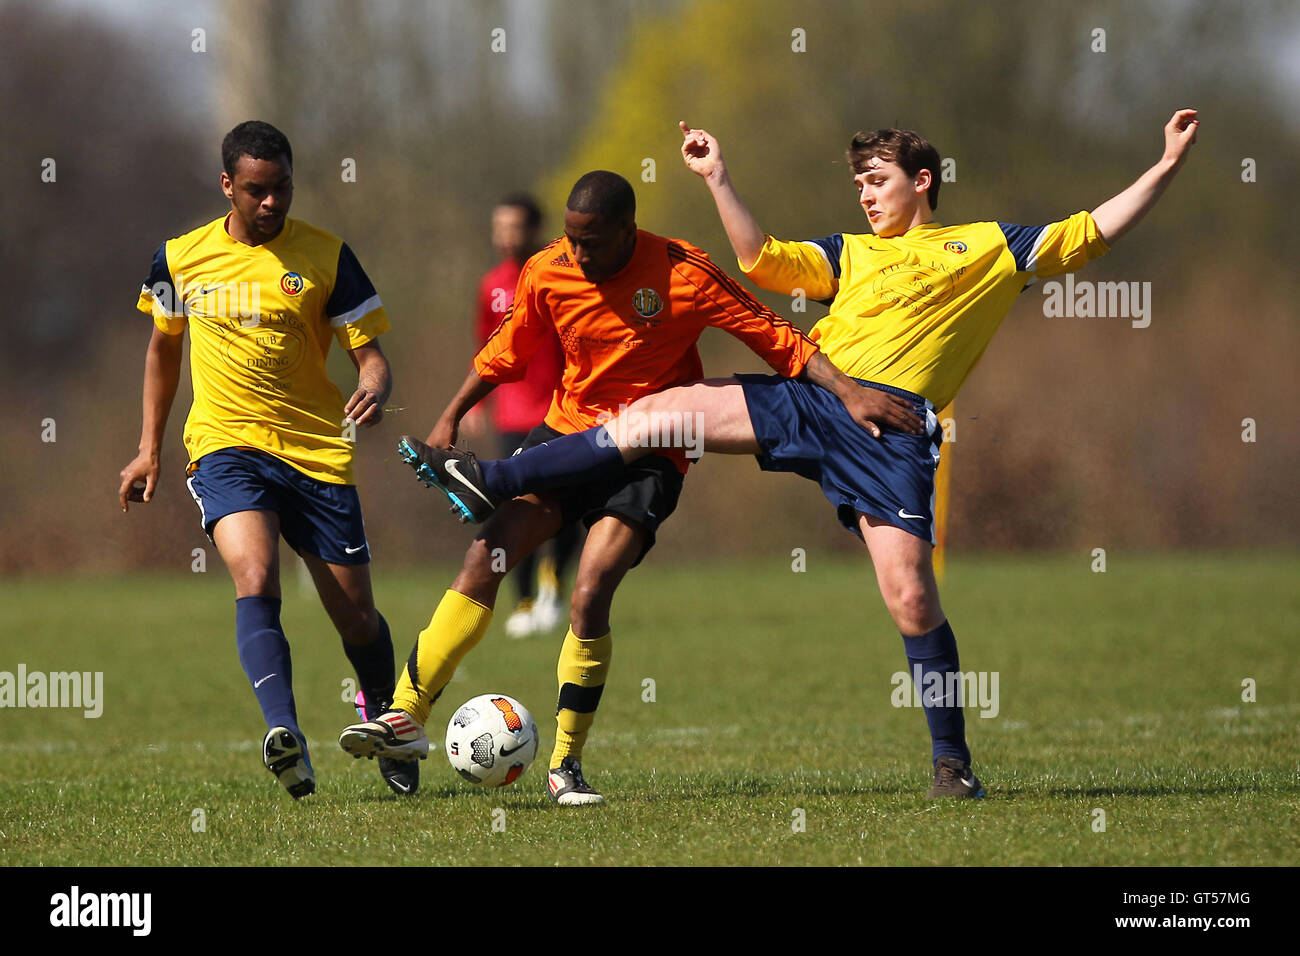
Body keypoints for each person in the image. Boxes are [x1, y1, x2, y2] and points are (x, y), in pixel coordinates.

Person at [400, 110, 1200, 798]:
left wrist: (1163, 165)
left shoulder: (988, 248)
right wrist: (718, 179)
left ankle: (951, 763)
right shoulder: (851, 253)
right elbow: (762, 261)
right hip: (810, 395)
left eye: (876, 180)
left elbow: (1091, 233)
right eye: (858, 182)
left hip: (886, 432)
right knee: (657, 414)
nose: (863, 193)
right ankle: (490, 477)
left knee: (912, 599)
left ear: (924, 181)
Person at [337, 170, 911, 804]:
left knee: (590, 590)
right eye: (570, 239)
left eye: (593, 243)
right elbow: (506, 351)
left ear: (628, 231)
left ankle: (565, 765)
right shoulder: (548, 270)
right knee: (487, 553)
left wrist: (853, 394)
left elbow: (775, 337)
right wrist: (448, 417)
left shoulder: (683, 270)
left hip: (653, 451)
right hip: (568, 431)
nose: (578, 255)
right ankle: (406, 716)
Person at [118, 120, 412, 798]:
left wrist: (373, 384)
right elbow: (163, 349)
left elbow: (370, 357)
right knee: (255, 576)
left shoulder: (328, 257)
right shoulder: (179, 258)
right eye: (257, 191)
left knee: (357, 618)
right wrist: (147, 448)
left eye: (282, 188)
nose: (273, 203)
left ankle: (390, 723)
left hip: (315, 451)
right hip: (225, 445)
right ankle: (286, 735)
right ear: (228, 185)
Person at [473, 195, 581, 638]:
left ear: (534, 230)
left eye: (514, 227)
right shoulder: (491, 286)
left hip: (562, 410)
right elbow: (485, 346)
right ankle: (522, 600)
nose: (505, 236)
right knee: (512, 507)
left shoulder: (561, 276)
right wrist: (478, 403)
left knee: (569, 506)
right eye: (499, 227)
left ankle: (553, 578)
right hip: (512, 416)